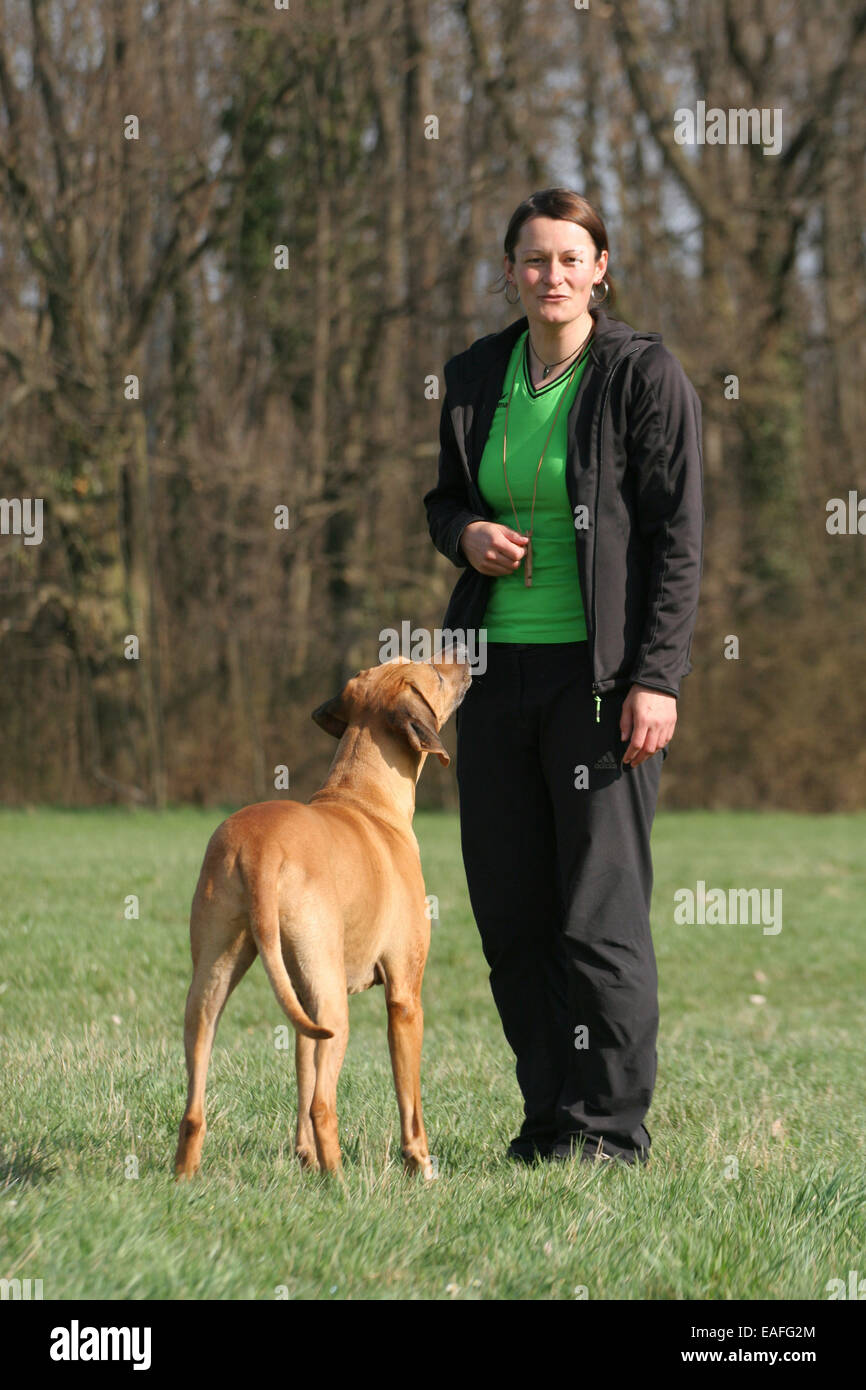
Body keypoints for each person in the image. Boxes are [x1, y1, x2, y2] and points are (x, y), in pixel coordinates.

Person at [423, 188, 704, 1165]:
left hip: (602, 685)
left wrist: (655, 676)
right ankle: (548, 1118)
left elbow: (675, 538)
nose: (551, 275)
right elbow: (443, 498)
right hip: (489, 678)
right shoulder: (471, 376)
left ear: (600, 268)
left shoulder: (639, 375)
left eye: (569, 258)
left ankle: (609, 1130)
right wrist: (461, 533)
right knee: (513, 916)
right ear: (508, 272)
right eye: (533, 259)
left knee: (596, 916)